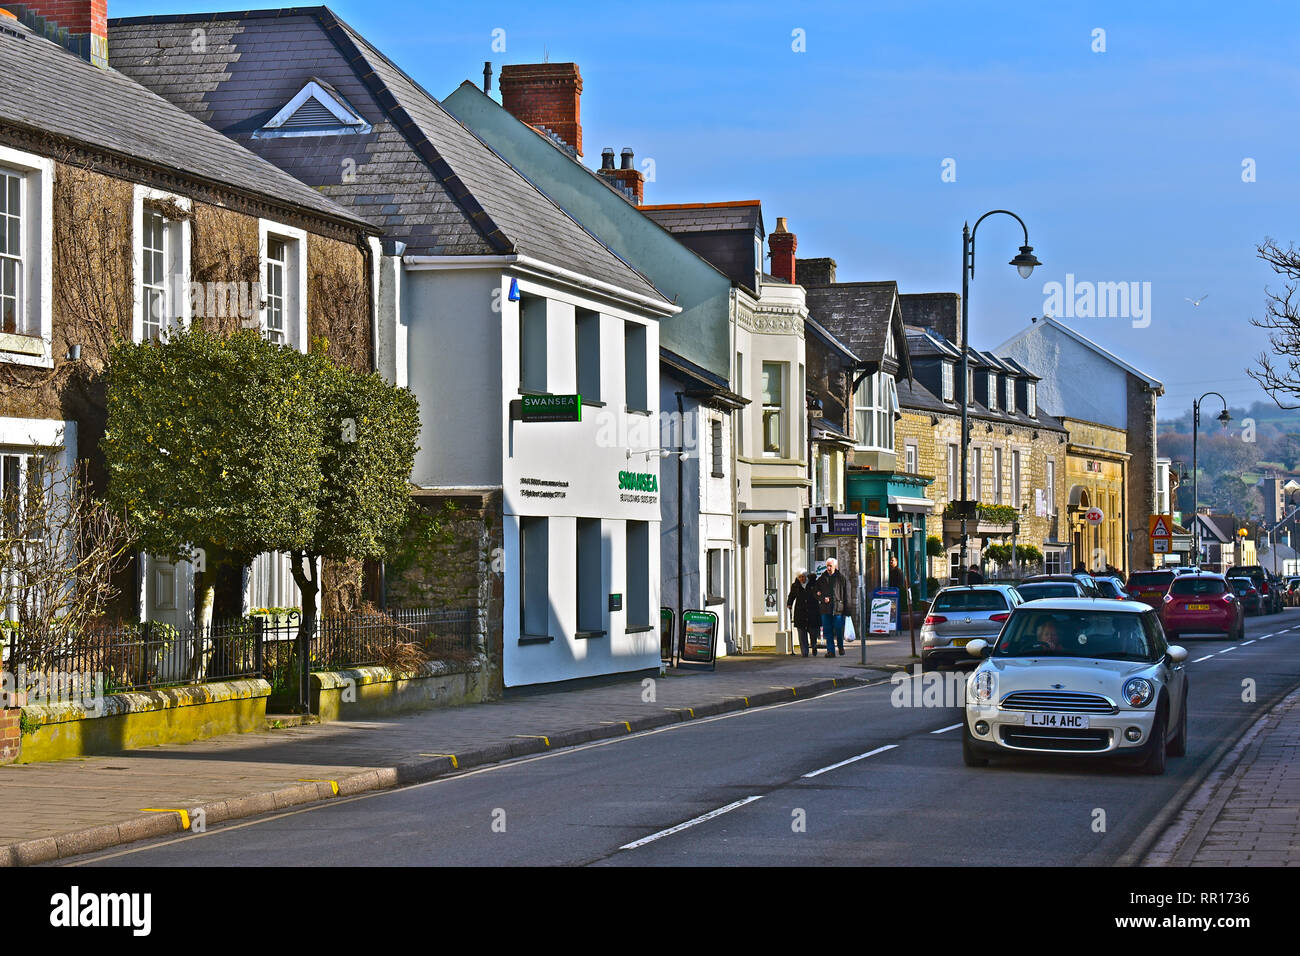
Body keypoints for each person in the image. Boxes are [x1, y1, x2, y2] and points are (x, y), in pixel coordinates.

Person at [816, 557, 852, 657]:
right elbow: (815, 591)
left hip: (838, 609)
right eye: (827, 566)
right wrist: (822, 598)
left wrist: (847, 610)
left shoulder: (841, 578)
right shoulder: (822, 578)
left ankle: (840, 646)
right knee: (827, 631)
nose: (828, 568)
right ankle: (831, 651)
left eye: (830, 566)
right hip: (825, 609)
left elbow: (846, 594)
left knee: (838, 629)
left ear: (835, 566)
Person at [786, 569, 821, 658]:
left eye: (803, 577)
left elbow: (819, 593)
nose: (802, 579)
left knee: (813, 633)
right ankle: (804, 652)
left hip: (812, 611)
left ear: (806, 577)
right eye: (800, 577)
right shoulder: (795, 586)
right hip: (800, 612)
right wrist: (789, 603)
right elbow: (791, 595)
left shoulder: (813, 584)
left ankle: (814, 645)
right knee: (802, 634)